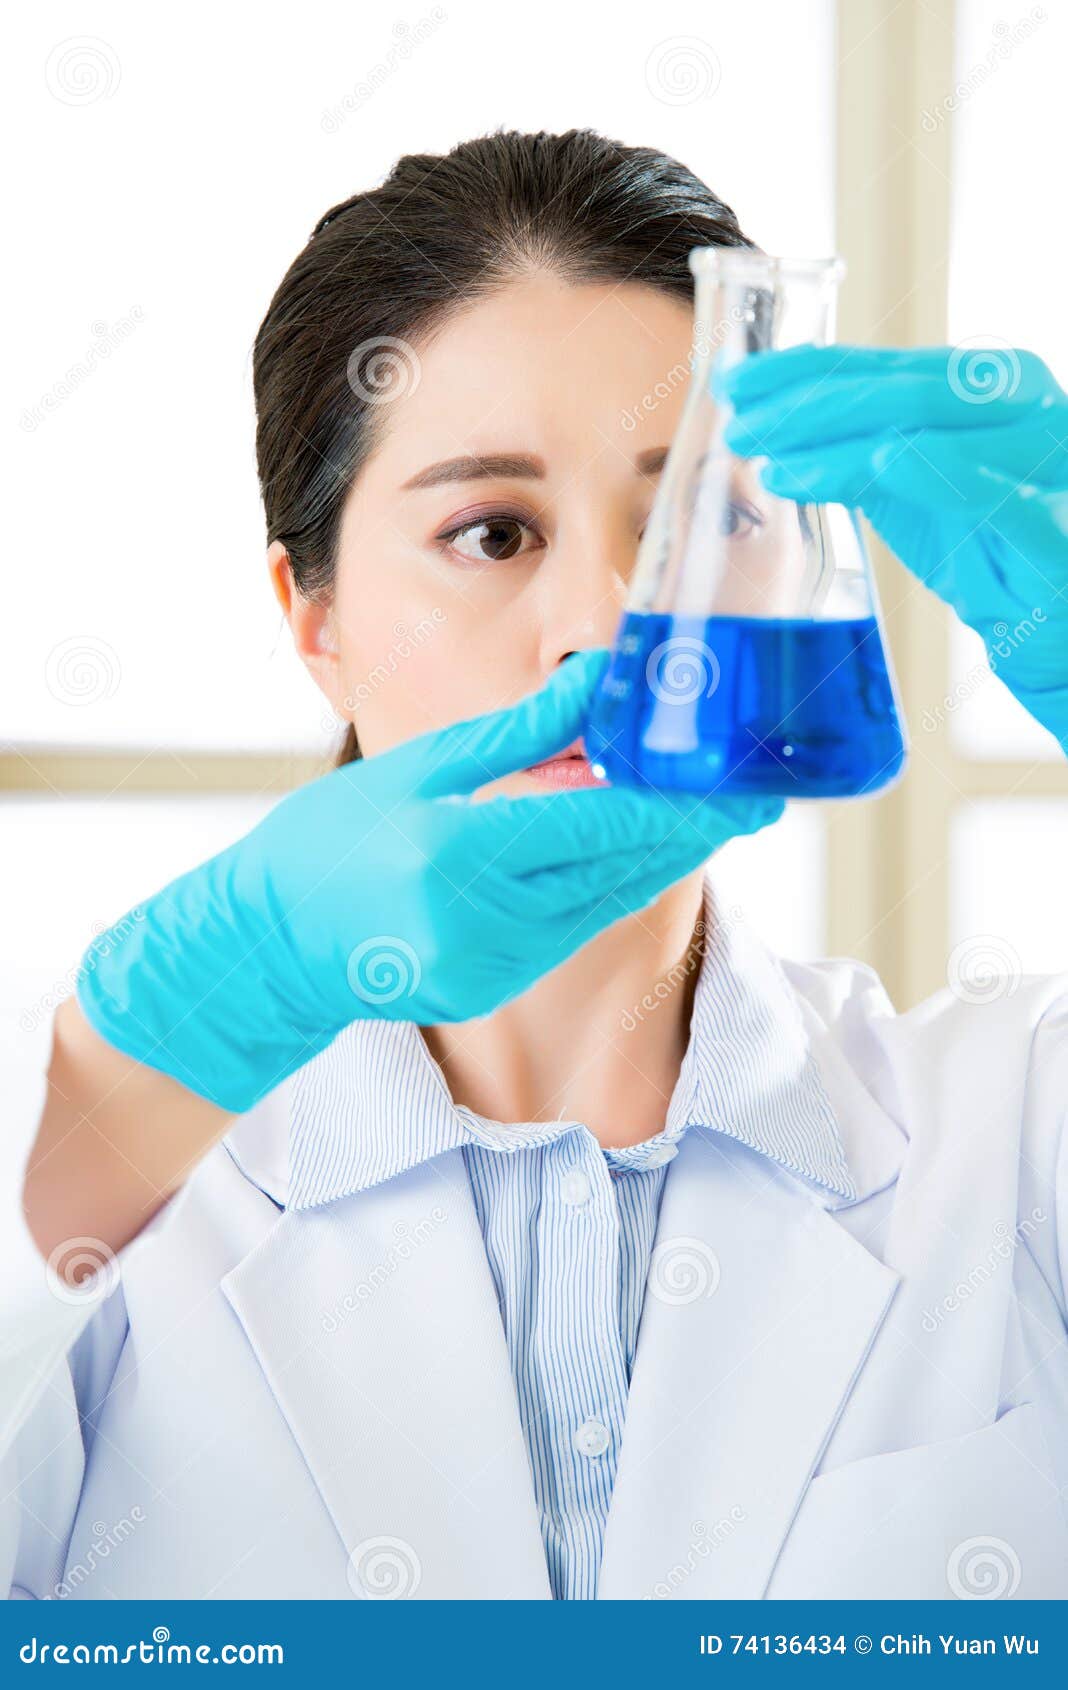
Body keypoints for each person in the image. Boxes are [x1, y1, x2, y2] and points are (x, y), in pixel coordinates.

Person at [2, 129, 1067, 1604]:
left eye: (698, 519)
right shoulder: (88, 1206)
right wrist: (167, 1039)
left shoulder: (1013, 1140)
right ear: (315, 620)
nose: (606, 625)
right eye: (494, 532)